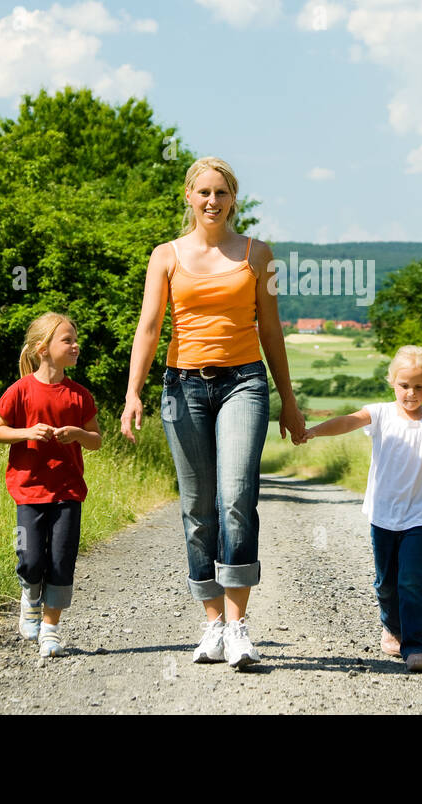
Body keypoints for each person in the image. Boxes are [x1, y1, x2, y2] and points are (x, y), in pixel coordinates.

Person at [121, 157, 306, 670]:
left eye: (221, 193)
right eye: (203, 192)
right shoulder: (165, 256)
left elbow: (271, 331)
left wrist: (287, 399)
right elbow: (150, 327)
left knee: (236, 496)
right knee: (197, 506)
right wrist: (133, 392)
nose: (212, 201)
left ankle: (239, 624)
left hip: (243, 383)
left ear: (233, 199)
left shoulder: (257, 255)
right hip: (182, 386)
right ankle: (212, 624)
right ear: (188, 196)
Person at [302, 346, 422, 673]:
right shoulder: (380, 413)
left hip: (418, 517)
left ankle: (415, 646)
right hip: (383, 515)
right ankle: (391, 627)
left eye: (419, 387)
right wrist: (312, 431)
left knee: (411, 578)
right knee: (385, 582)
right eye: (405, 385)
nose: (411, 393)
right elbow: (347, 422)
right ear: (393, 383)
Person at [0, 312, 102, 658]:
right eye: (67, 340)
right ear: (43, 349)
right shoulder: (20, 391)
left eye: (75, 339)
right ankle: (29, 595)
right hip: (29, 491)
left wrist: (78, 434)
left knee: (61, 561)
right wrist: (26, 432)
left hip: (68, 492)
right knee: (29, 558)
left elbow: (97, 440)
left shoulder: (79, 395)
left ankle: (51, 630)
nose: (75, 345)